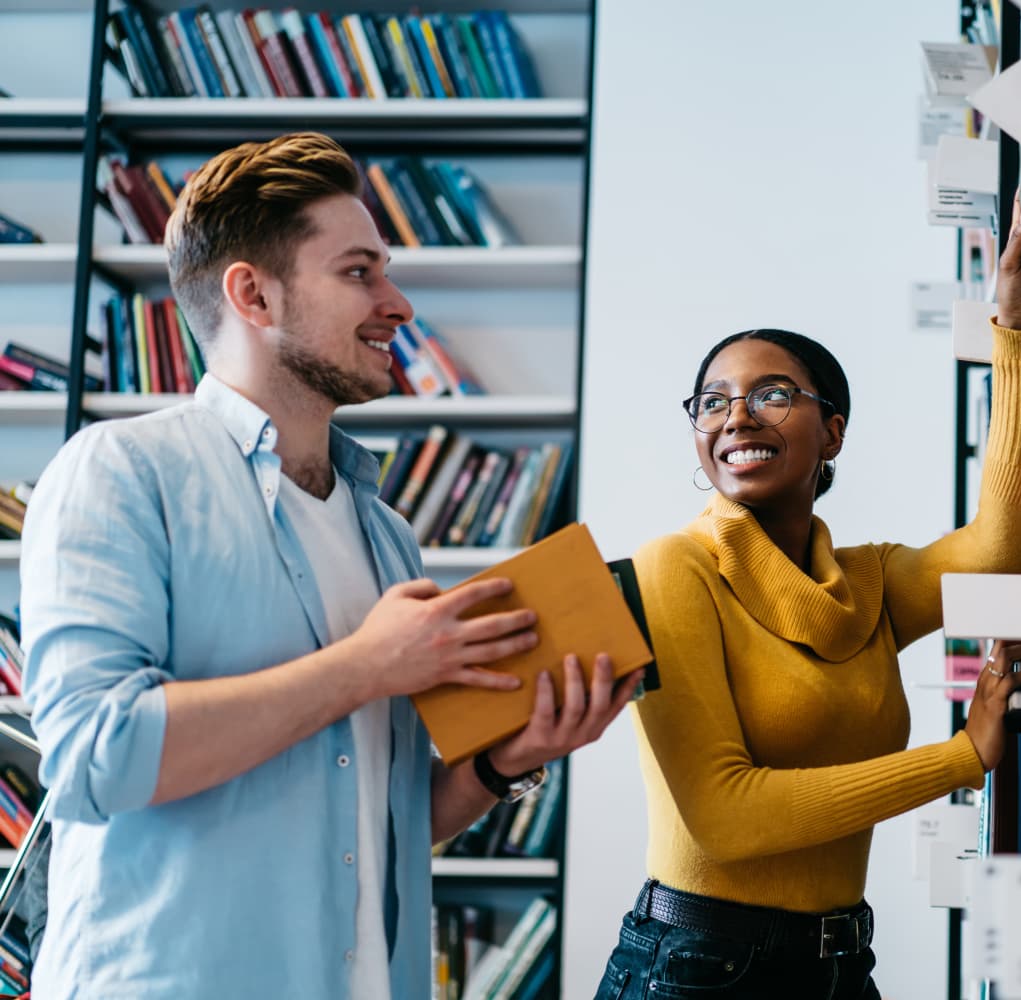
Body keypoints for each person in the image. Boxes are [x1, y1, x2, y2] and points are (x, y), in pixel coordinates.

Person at [19, 132, 643, 999]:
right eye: (359, 272)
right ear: (254, 295)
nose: (398, 305)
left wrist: (506, 761)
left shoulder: (384, 531)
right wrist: (363, 667)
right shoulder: (120, 472)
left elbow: (375, 820)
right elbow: (97, 758)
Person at [591, 183, 1021, 999]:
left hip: (838, 966)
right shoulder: (670, 569)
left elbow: (999, 553)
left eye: (771, 393)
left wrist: (1017, 336)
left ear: (832, 428)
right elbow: (724, 817)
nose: (737, 416)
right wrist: (959, 758)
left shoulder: (866, 582)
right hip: (699, 969)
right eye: (712, 403)